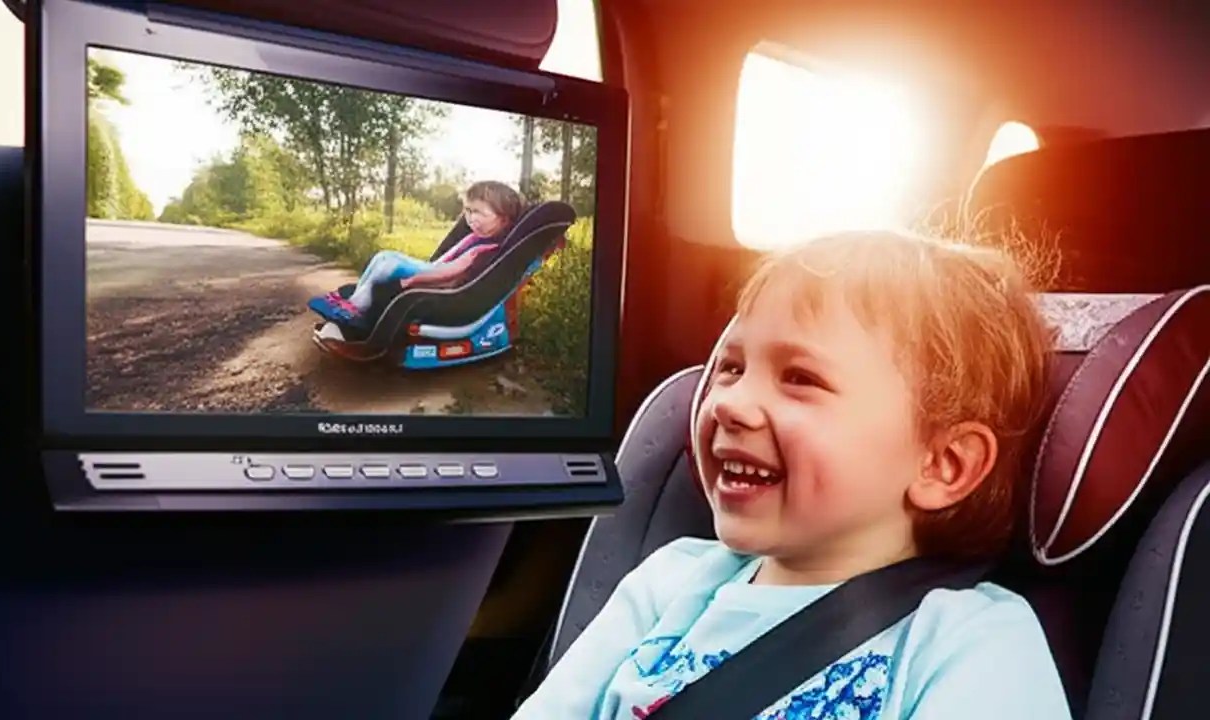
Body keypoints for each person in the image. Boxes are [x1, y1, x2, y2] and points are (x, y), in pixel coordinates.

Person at [512, 230, 1072, 720]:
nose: (729, 403)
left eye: (800, 377)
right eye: (731, 367)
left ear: (942, 464)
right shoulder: (672, 583)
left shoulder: (969, 641)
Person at [336, 180, 523, 315]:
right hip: (434, 266)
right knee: (383, 256)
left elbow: (451, 272)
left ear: (503, 218)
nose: (470, 219)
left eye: (478, 213)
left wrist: (410, 281)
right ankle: (354, 298)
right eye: (468, 211)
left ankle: (356, 308)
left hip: (441, 277)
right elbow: (445, 258)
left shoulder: (486, 249)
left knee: (388, 266)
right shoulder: (475, 237)